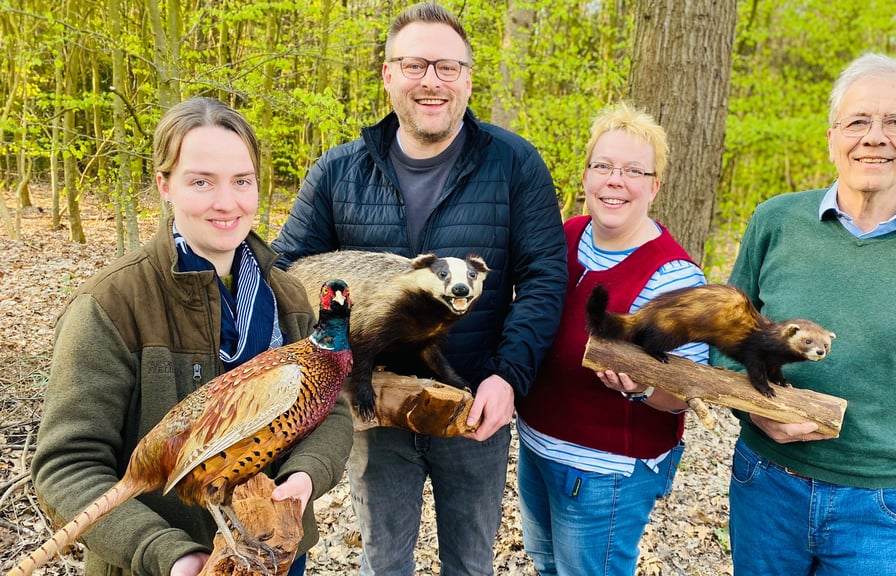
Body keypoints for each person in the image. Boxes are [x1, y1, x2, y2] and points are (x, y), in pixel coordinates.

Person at [269, 3, 567, 575]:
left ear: (468, 79)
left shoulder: (514, 164)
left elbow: (543, 277)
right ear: (387, 75)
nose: (431, 81)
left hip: (472, 402)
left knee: (471, 562)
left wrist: (510, 374)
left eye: (447, 67)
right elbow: (287, 271)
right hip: (371, 403)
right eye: (414, 65)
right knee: (383, 560)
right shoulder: (339, 170)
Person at [30, 97, 353, 576]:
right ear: (164, 185)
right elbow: (67, 465)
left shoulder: (286, 296)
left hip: (273, 552)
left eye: (242, 181)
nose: (226, 202)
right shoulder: (113, 304)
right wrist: (169, 553)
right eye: (201, 182)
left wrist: (304, 476)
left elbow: (331, 409)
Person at [721, 53, 896, 576]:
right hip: (766, 486)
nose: (874, 137)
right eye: (857, 121)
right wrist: (752, 408)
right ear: (832, 138)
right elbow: (726, 335)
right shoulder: (776, 220)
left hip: (883, 509)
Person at [515, 102, 707, 575]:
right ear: (585, 178)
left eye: (632, 170)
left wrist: (641, 387)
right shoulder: (563, 237)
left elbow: (686, 392)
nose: (614, 180)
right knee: (545, 565)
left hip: (604, 474)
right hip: (536, 449)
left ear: (654, 186)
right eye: (602, 166)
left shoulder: (674, 277)